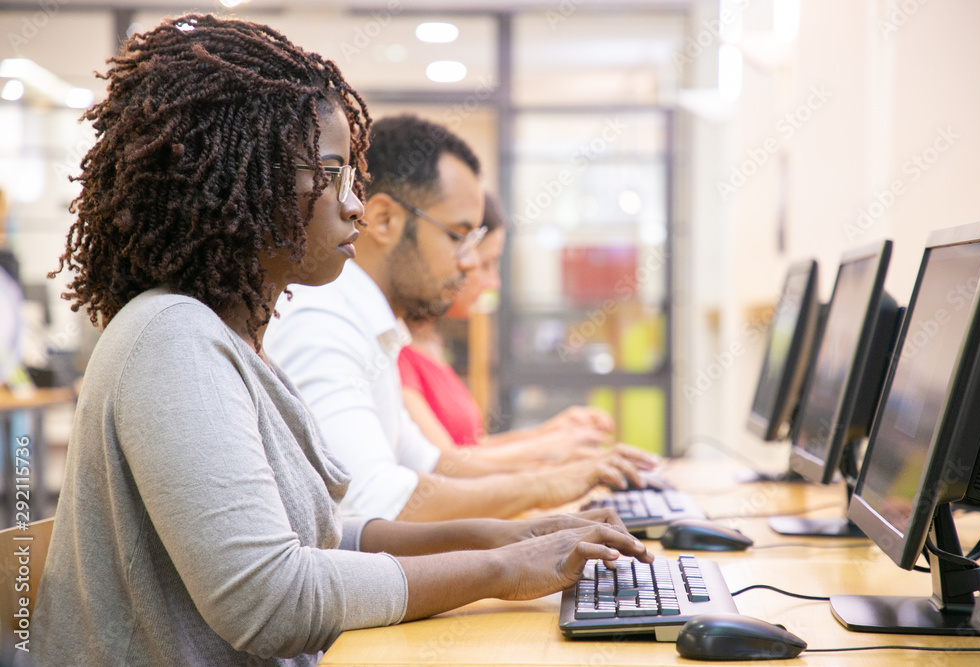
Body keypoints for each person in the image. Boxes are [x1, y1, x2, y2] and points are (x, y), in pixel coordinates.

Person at [32, 15, 650, 665]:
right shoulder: (173, 339)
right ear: (243, 180)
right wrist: (498, 569)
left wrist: (512, 536)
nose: (355, 204)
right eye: (333, 176)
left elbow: (323, 538)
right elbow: (271, 600)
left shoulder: (228, 340)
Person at [265, 114, 657, 522]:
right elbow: (371, 501)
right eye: (458, 235)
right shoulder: (322, 320)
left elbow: (433, 465)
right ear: (384, 220)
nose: (469, 263)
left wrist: (558, 468)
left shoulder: (370, 327)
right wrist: (545, 485)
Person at [398, 192, 640, 471]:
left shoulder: (430, 345)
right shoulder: (397, 353)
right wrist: (549, 452)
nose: (493, 282)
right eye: (486, 264)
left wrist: (552, 433)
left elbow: (470, 451)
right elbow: (448, 466)